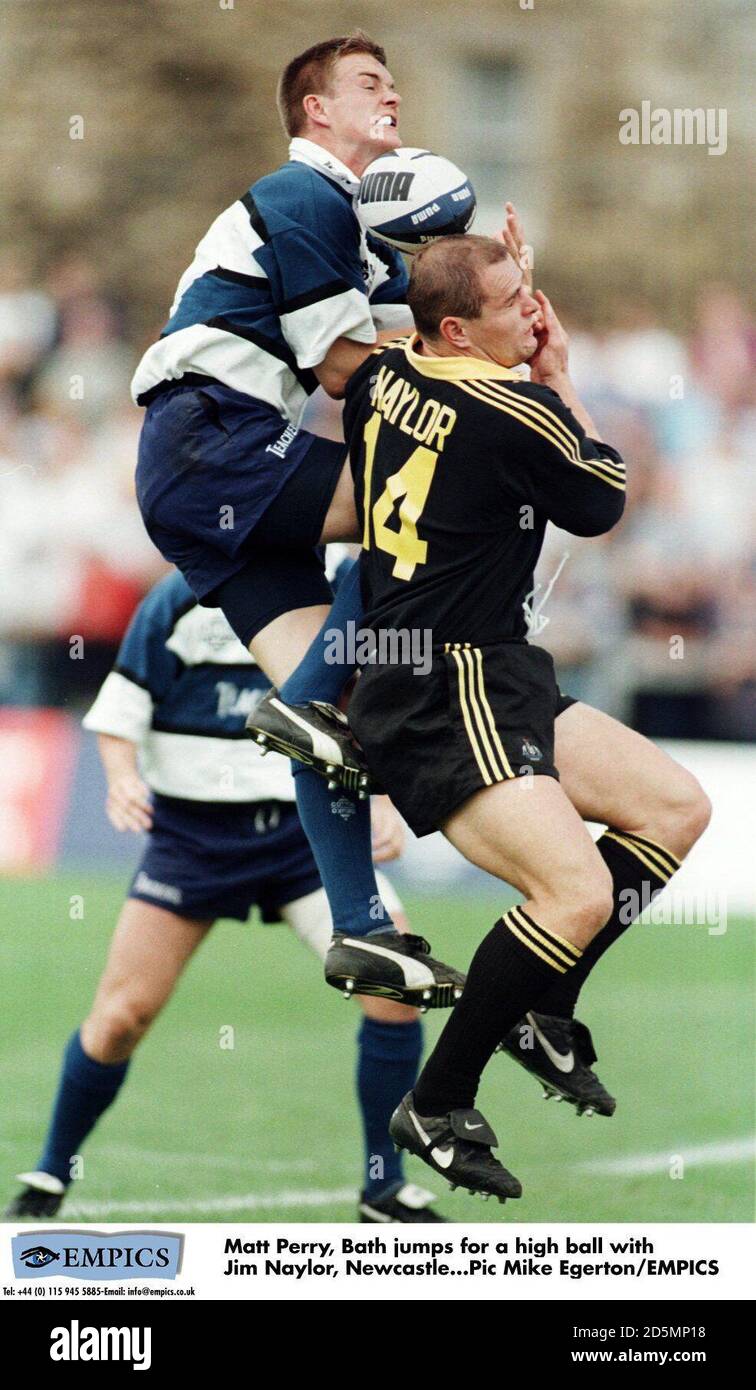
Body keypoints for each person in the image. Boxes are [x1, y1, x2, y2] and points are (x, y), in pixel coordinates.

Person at [338, 235, 711, 1202]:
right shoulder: (512, 408)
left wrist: (499, 286)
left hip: (493, 665)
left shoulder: (387, 370)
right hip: (442, 685)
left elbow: (414, 331)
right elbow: (605, 500)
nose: (534, 315)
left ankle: (546, 1008)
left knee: (675, 809)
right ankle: (439, 1099)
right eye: (514, 302)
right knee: (576, 893)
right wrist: (563, 378)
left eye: (534, 295)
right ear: (458, 329)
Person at [130, 30, 464, 1006]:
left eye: (396, 80)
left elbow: (423, 311)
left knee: (339, 720)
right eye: (370, 82)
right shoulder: (306, 194)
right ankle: (301, 703)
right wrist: (475, 395)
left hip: (202, 475)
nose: (392, 93)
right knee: (423, 500)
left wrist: (492, 280)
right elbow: (346, 368)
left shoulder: (341, 225)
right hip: (214, 444)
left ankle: (361, 930)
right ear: (317, 110)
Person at [5, 570, 445, 1225]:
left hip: (310, 834)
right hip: (195, 839)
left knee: (394, 992)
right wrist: (122, 778)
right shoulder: (180, 597)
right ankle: (52, 1170)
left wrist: (382, 797)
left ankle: (383, 1189)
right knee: (123, 1016)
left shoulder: (340, 592)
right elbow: (121, 709)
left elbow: (371, 710)